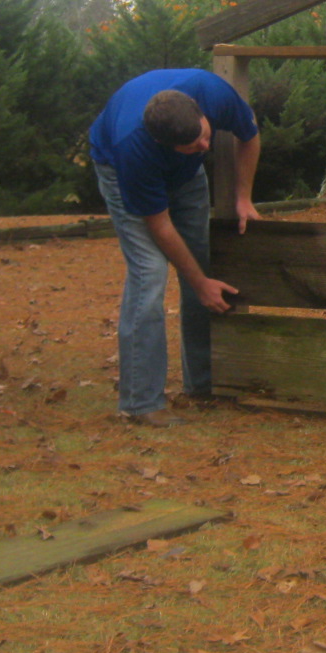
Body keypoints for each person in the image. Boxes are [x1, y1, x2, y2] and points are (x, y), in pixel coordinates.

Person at [89, 69, 261, 426]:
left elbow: (250, 134)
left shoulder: (212, 93)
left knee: (202, 262)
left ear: (201, 113)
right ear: (164, 145)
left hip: (184, 175)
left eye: (204, 136)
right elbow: (161, 225)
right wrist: (199, 284)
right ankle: (141, 403)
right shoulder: (132, 149)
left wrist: (244, 197)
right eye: (192, 146)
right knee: (149, 272)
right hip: (119, 173)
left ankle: (203, 383)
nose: (205, 148)